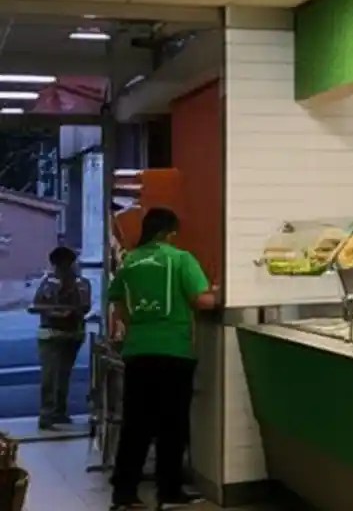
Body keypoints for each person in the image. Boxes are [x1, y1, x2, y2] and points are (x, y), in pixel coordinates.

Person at [108, 208, 219, 511]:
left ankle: (124, 494)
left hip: (138, 352)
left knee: (136, 426)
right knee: (172, 425)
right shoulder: (180, 258)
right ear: (169, 232)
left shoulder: (129, 261)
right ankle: (169, 492)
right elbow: (201, 300)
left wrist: (140, 330)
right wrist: (221, 295)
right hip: (173, 351)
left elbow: (120, 306)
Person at [29, 246, 91, 430]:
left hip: (71, 334)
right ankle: (47, 414)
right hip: (53, 334)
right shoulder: (49, 283)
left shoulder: (80, 283)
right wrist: (58, 312)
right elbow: (37, 305)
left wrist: (68, 311)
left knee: (62, 375)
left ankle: (58, 412)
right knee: (51, 375)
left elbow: (85, 306)